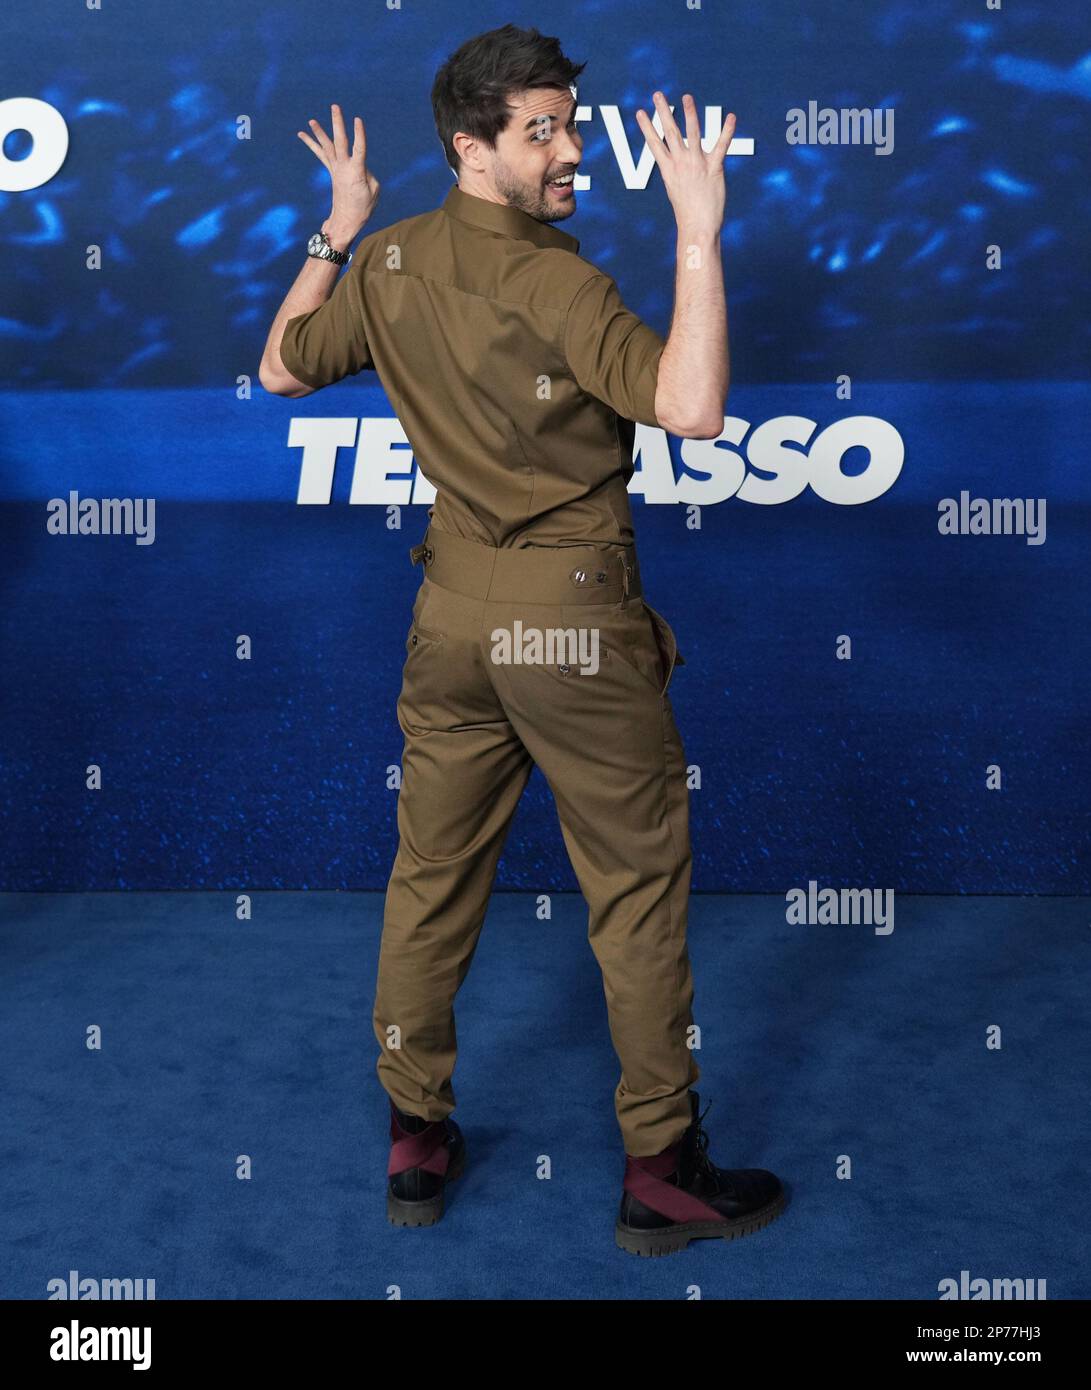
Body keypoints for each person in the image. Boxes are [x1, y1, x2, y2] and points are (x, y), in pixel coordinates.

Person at [259, 23, 786, 1258]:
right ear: (469, 148)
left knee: (429, 876)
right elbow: (692, 410)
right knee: (636, 892)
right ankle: (660, 1170)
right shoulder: (560, 281)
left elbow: (281, 366)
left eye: (568, 125)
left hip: (449, 622)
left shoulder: (385, 264)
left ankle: (415, 1139)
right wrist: (698, 233)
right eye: (538, 132)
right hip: (572, 626)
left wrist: (340, 225)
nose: (569, 153)